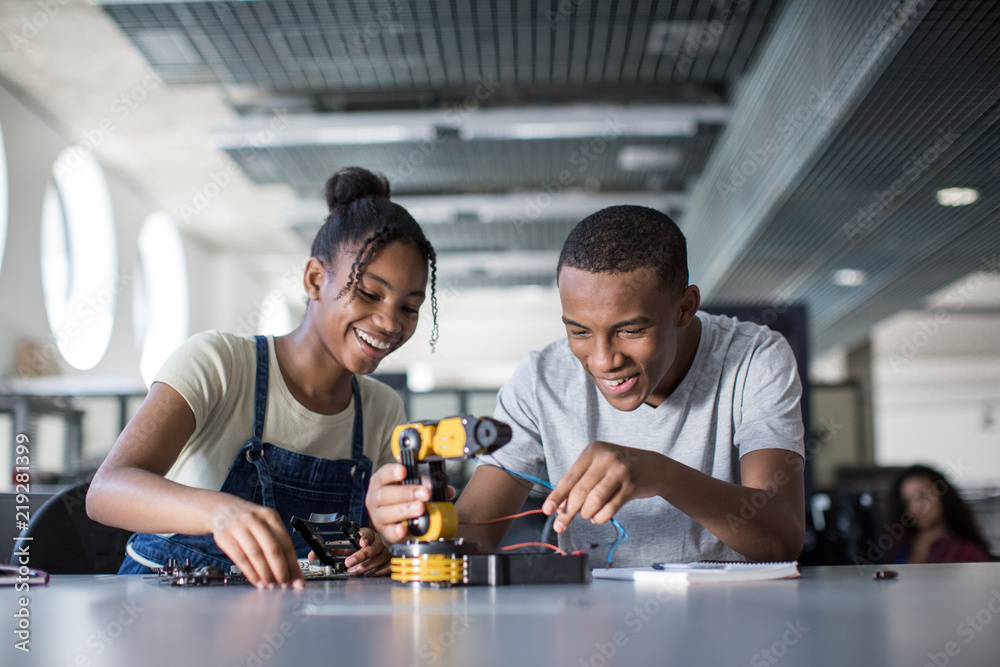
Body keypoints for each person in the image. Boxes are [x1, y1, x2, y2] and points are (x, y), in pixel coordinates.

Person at [367, 205, 806, 566]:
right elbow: (476, 531)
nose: (602, 361)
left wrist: (663, 474)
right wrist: (415, 525)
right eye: (578, 332)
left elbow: (783, 536)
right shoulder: (541, 381)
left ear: (685, 307)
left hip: (732, 627)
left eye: (631, 331)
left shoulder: (754, 359)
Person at [87, 166, 438, 588]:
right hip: (163, 616)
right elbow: (106, 490)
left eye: (409, 307)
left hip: (292, 624)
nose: (388, 322)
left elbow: (382, 530)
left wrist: (377, 547)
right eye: (368, 293)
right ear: (314, 279)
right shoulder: (219, 363)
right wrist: (220, 512)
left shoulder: (383, 409)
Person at [888, 464, 994, 564]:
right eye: (907, 502)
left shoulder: (965, 551)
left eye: (922, 497)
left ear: (943, 496)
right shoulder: (900, 543)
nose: (914, 508)